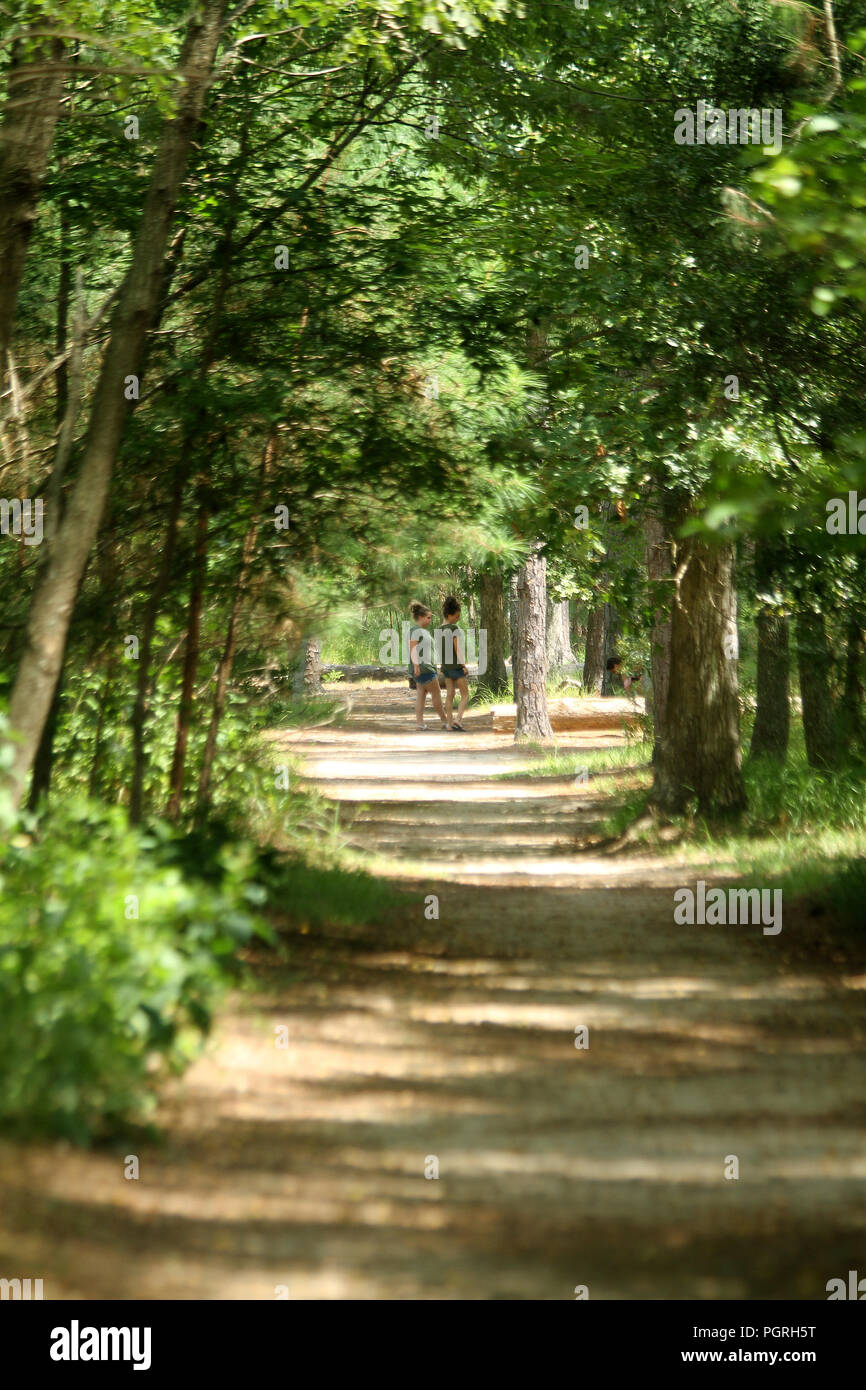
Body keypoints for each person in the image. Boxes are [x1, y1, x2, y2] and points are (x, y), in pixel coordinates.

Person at [408, 602, 447, 731]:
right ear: (420, 617)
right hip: (424, 668)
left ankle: (420, 723)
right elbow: (413, 649)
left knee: (421, 693)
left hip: (423, 667)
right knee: (436, 694)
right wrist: (416, 666)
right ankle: (445, 721)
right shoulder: (416, 631)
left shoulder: (420, 631)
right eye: (428, 617)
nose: (430, 620)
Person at [440, 595, 470, 732]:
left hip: (445, 667)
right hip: (456, 667)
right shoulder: (454, 629)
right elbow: (457, 649)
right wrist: (463, 665)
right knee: (465, 694)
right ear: (450, 615)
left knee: (450, 694)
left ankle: (449, 724)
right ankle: (458, 720)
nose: (457, 619)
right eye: (457, 616)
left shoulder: (438, 629)